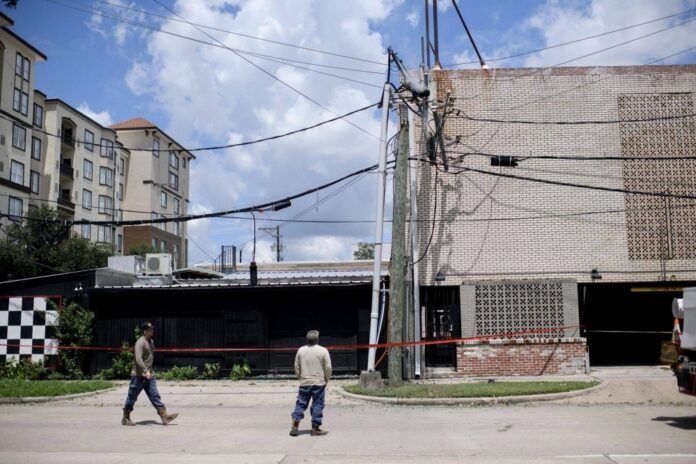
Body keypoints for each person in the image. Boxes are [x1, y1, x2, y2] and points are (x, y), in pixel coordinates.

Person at [121, 322, 178, 426]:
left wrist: (150, 371)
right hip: (138, 375)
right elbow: (138, 359)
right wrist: (145, 371)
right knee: (132, 396)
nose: (152, 331)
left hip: (149, 375)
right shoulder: (140, 342)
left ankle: (164, 416)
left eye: (152, 329)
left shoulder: (151, 341)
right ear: (145, 331)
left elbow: (149, 358)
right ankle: (125, 418)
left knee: (155, 395)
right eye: (150, 329)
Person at [290, 329, 332, 437]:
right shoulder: (323, 351)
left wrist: (300, 377)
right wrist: (326, 379)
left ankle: (294, 427)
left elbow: (296, 366)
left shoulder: (301, 350)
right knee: (318, 404)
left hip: (305, 382)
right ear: (317, 339)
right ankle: (315, 428)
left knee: (300, 404)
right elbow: (328, 367)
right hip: (319, 382)